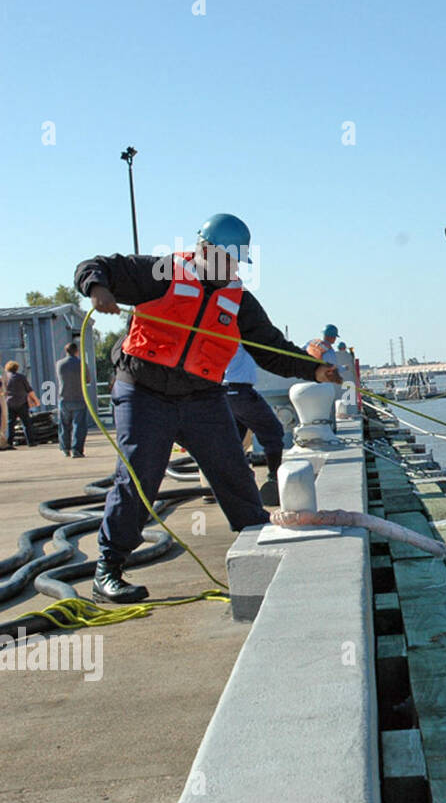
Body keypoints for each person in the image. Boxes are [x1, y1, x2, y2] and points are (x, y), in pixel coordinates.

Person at [74, 212, 341, 603]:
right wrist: (97, 289)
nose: (230, 268)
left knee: (232, 470)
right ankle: (108, 568)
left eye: (235, 262)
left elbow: (270, 347)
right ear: (203, 249)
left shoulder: (238, 301)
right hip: (144, 391)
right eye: (225, 258)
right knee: (138, 476)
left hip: (201, 396)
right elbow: (95, 266)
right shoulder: (160, 272)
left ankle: (257, 544)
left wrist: (315, 369)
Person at [223, 345, 287, 503]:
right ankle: (274, 481)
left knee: (235, 441)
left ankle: (236, 484)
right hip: (241, 392)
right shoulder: (243, 333)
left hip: (224, 393)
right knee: (273, 432)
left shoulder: (223, 335)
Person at [55, 341, 89, 457]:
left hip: (64, 398)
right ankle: (77, 450)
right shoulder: (81, 363)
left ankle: (65, 449)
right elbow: (88, 379)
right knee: (79, 426)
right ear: (76, 351)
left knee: (64, 425)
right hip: (79, 397)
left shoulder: (59, 364)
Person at [3, 361, 38, 448]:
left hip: (10, 403)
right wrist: (36, 400)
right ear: (17, 368)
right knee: (26, 423)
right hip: (22, 403)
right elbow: (29, 390)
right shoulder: (21, 377)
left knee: (11, 424)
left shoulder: (5, 378)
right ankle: (31, 442)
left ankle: (9, 442)